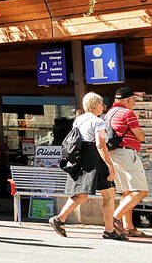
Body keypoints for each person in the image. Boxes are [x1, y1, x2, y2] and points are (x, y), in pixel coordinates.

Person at [48, 92, 126, 241]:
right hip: (95, 158)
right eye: (102, 104)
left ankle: (60, 219)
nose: (103, 106)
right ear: (96, 105)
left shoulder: (78, 120)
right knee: (107, 194)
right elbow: (101, 145)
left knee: (85, 194)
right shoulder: (98, 122)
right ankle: (61, 218)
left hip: (81, 158)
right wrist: (110, 165)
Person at [105, 87, 149, 238]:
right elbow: (141, 136)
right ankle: (114, 218)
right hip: (126, 153)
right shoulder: (127, 113)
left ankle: (128, 227)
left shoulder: (110, 113)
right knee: (141, 190)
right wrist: (140, 136)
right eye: (134, 100)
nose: (135, 103)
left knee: (127, 191)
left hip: (114, 154)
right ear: (128, 100)